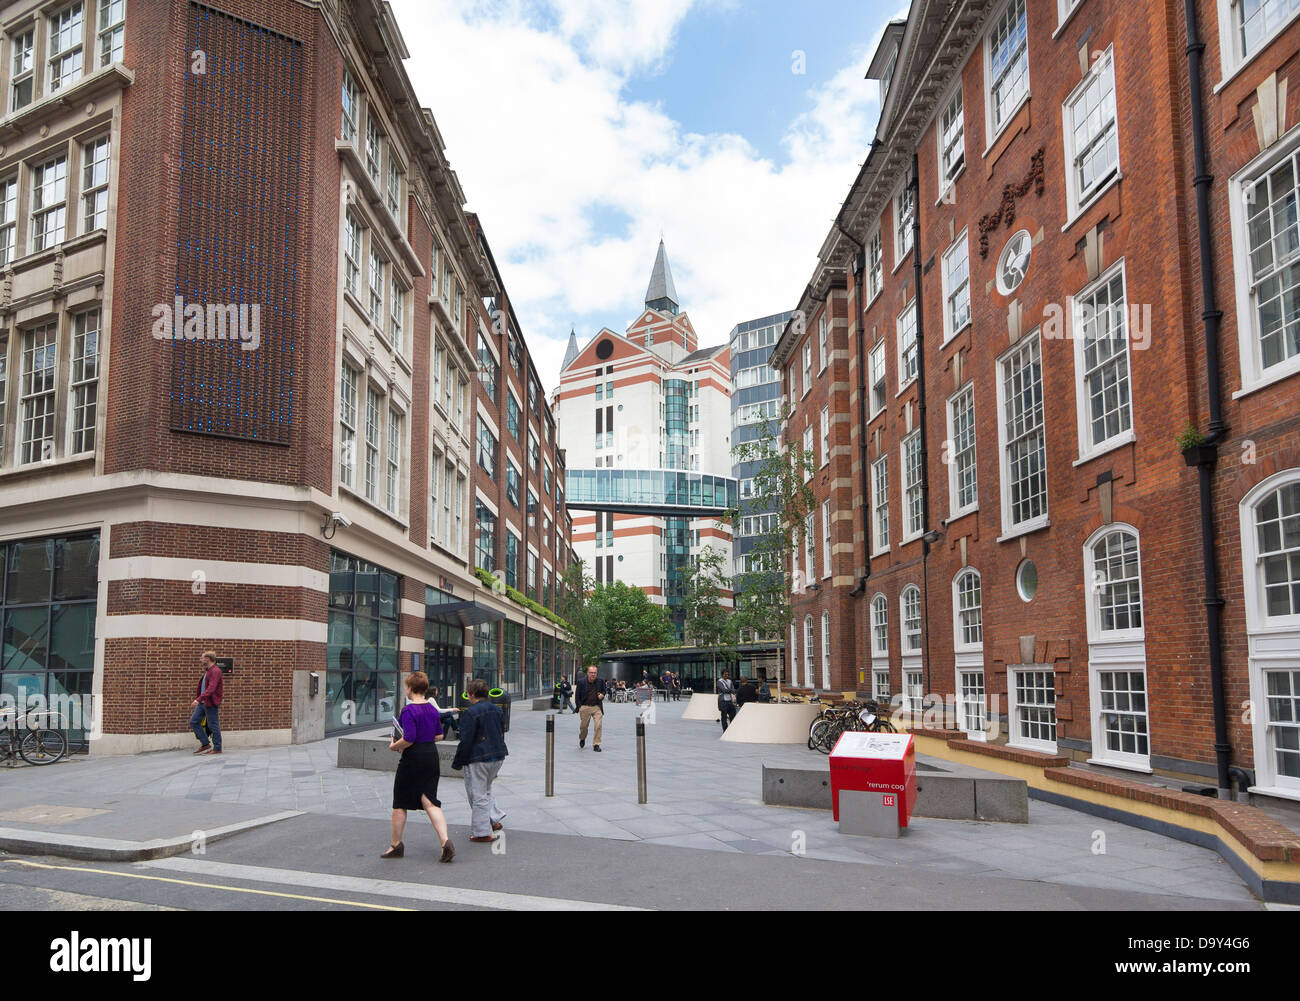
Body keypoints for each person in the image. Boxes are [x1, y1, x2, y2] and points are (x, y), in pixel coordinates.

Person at [383, 672, 455, 862]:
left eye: (406, 686)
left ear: (411, 688)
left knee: (400, 803)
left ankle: (396, 845)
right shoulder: (431, 709)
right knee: (430, 800)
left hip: (413, 758)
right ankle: (445, 842)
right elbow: (439, 736)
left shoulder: (409, 710)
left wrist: (393, 746)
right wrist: (425, 740)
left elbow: (409, 738)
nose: (405, 689)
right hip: (431, 755)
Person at [451, 679, 509, 842]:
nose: (467, 697)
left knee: (477, 794)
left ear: (473, 694)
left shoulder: (471, 712)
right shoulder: (496, 710)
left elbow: (466, 739)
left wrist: (458, 761)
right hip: (498, 755)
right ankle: (493, 819)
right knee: (486, 789)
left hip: (478, 757)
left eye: (468, 693)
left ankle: (482, 832)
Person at [189, 651, 224, 755]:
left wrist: (198, 699)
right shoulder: (208, 671)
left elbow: (211, 688)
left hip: (210, 702)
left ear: (208, 659)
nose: (201, 659)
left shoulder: (215, 671)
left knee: (213, 725)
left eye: (202, 658)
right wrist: (200, 700)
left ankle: (217, 748)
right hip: (203, 703)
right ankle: (205, 744)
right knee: (194, 721)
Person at [574, 664, 607, 751]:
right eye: (591, 673)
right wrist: (579, 707)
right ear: (587, 673)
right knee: (584, 727)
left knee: (598, 726)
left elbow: (604, 690)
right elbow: (577, 696)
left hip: (597, 707)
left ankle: (596, 744)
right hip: (585, 707)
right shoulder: (581, 682)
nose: (593, 674)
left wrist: (602, 695)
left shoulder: (601, 681)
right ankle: (582, 738)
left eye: (595, 673)